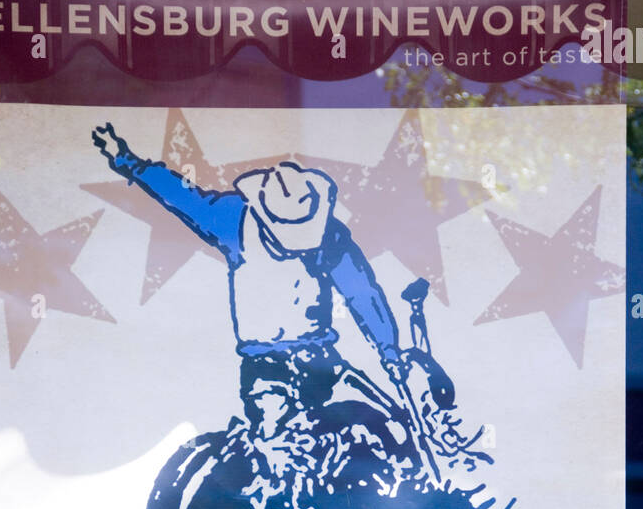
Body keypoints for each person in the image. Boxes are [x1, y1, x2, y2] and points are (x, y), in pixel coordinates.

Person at [92, 124, 407, 436]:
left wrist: (389, 350)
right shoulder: (234, 220)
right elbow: (182, 196)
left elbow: (362, 293)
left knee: (366, 428)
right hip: (264, 363)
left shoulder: (329, 234)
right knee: (273, 442)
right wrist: (128, 162)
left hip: (318, 359)